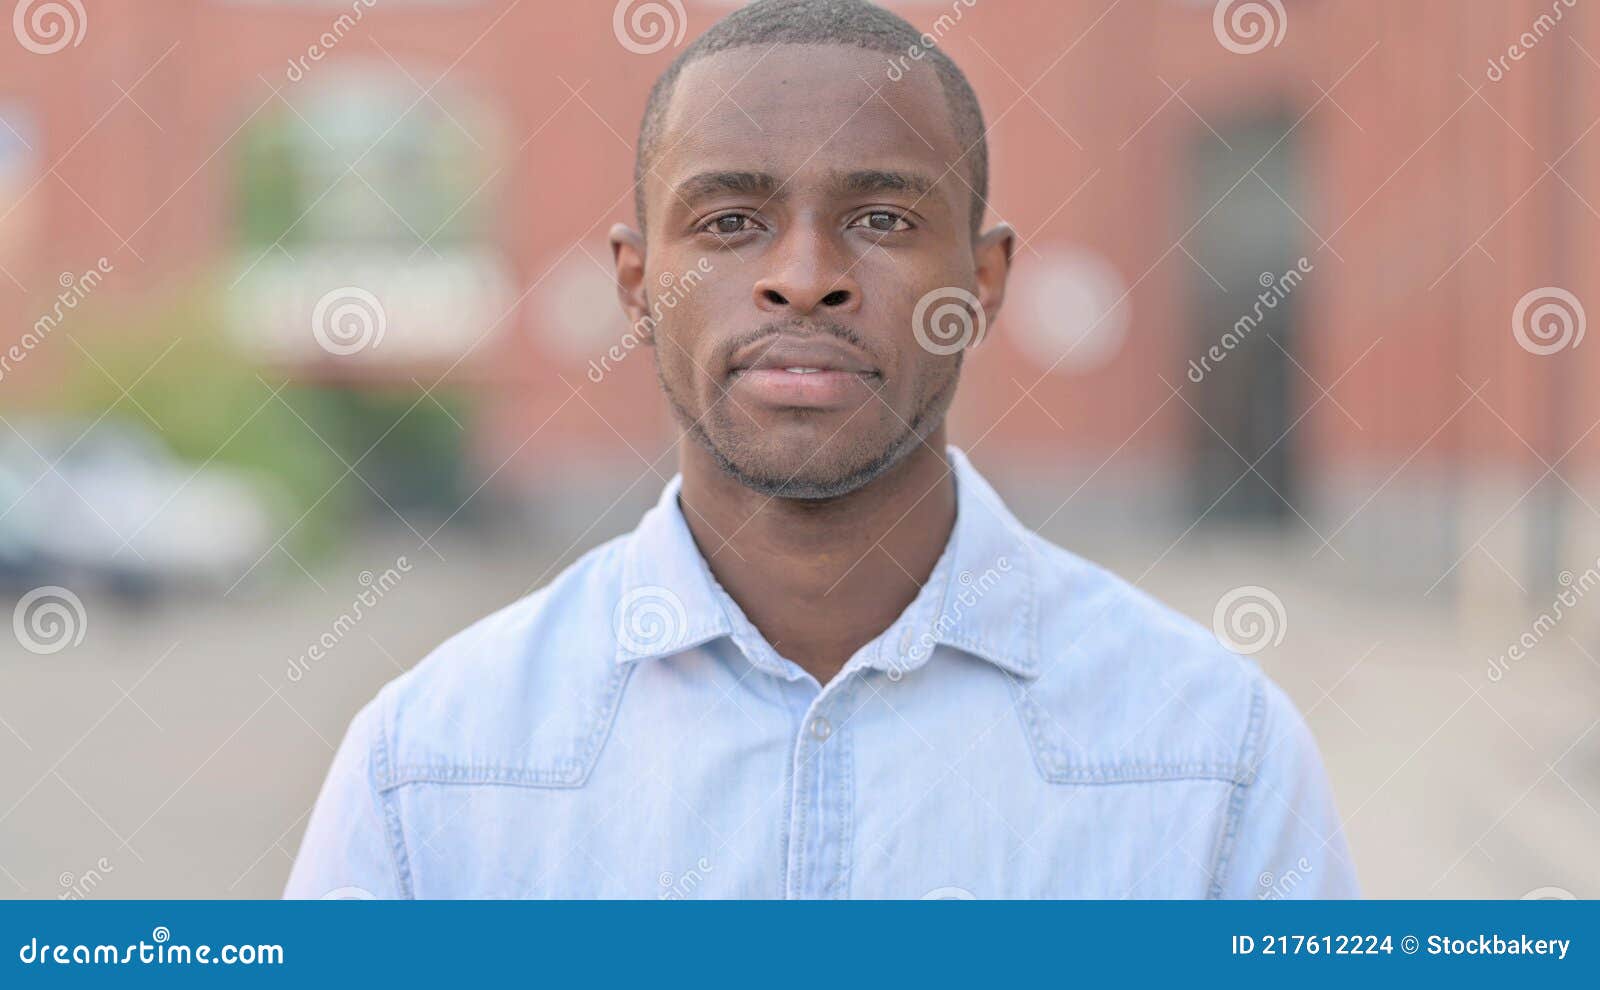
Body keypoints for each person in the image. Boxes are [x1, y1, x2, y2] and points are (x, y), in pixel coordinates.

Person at [286, 0, 1358, 899]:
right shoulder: (429, 765)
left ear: (981, 284)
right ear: (635, 286)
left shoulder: (1216, 754)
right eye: (728, 223)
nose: (803, 275)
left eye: (884, 219)